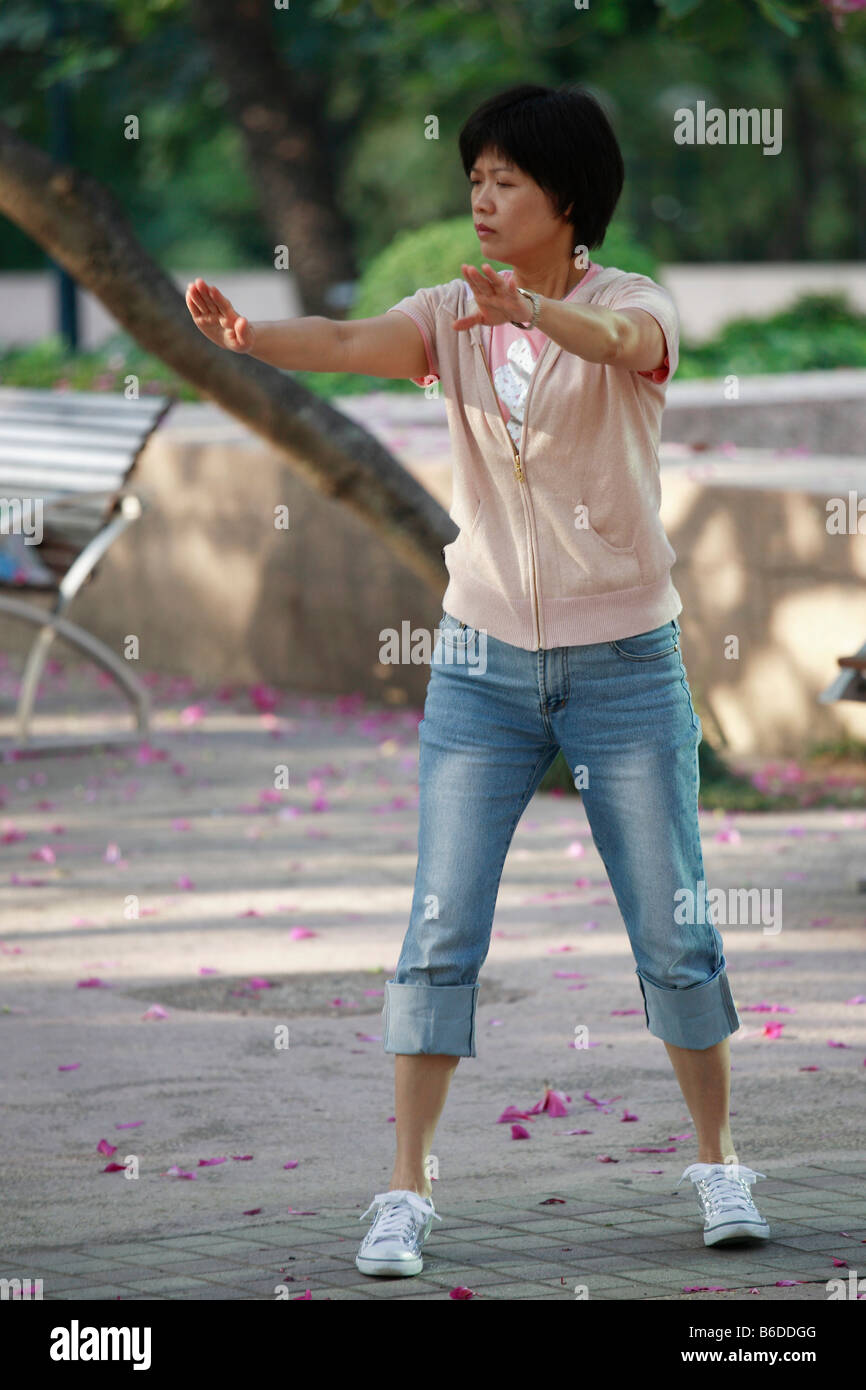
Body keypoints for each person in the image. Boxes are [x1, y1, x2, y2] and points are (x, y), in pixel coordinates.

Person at [186, 81, 770, 1285]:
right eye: (474, 182)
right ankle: (404, 1190)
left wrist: (539, 319)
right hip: (477, 666)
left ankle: (719, 1160)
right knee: (439, 928)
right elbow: (352, 344)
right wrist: (250, 338)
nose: (482, 201)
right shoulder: (450, 315)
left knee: (674, 929)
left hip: (622, 665)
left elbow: (617, 348)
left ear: (567, 198)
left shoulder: (628, 306)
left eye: (506, 181)